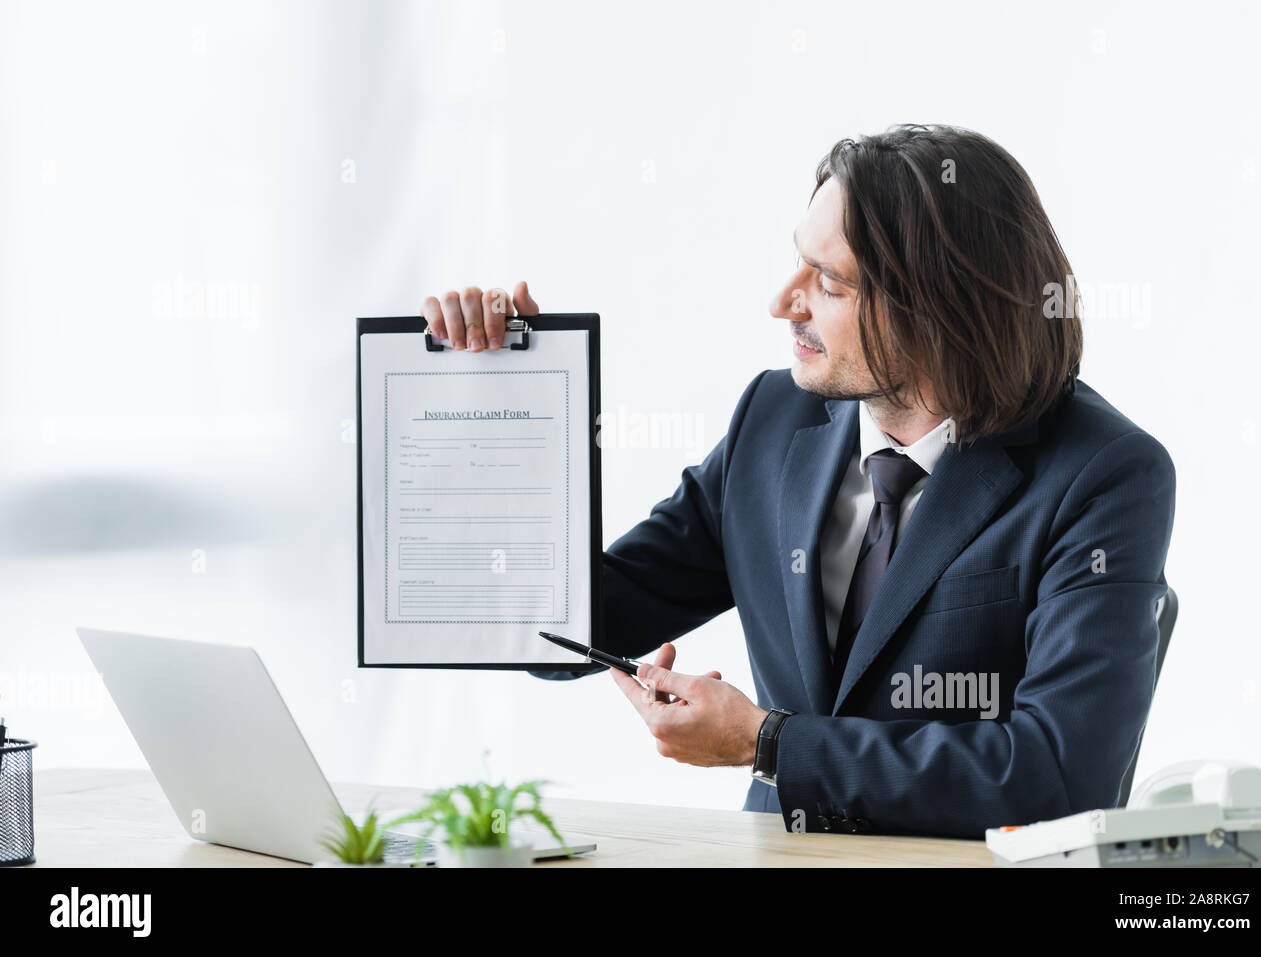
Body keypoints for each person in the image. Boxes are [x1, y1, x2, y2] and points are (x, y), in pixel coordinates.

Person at [418, 124, 1176, 839]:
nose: (784, 301)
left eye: (831, 282)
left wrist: (769, 742)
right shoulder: (776, 420)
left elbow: (1061, 774)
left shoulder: (1104, 474)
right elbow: (568, 632)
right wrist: (504, 412)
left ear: (941, 311)